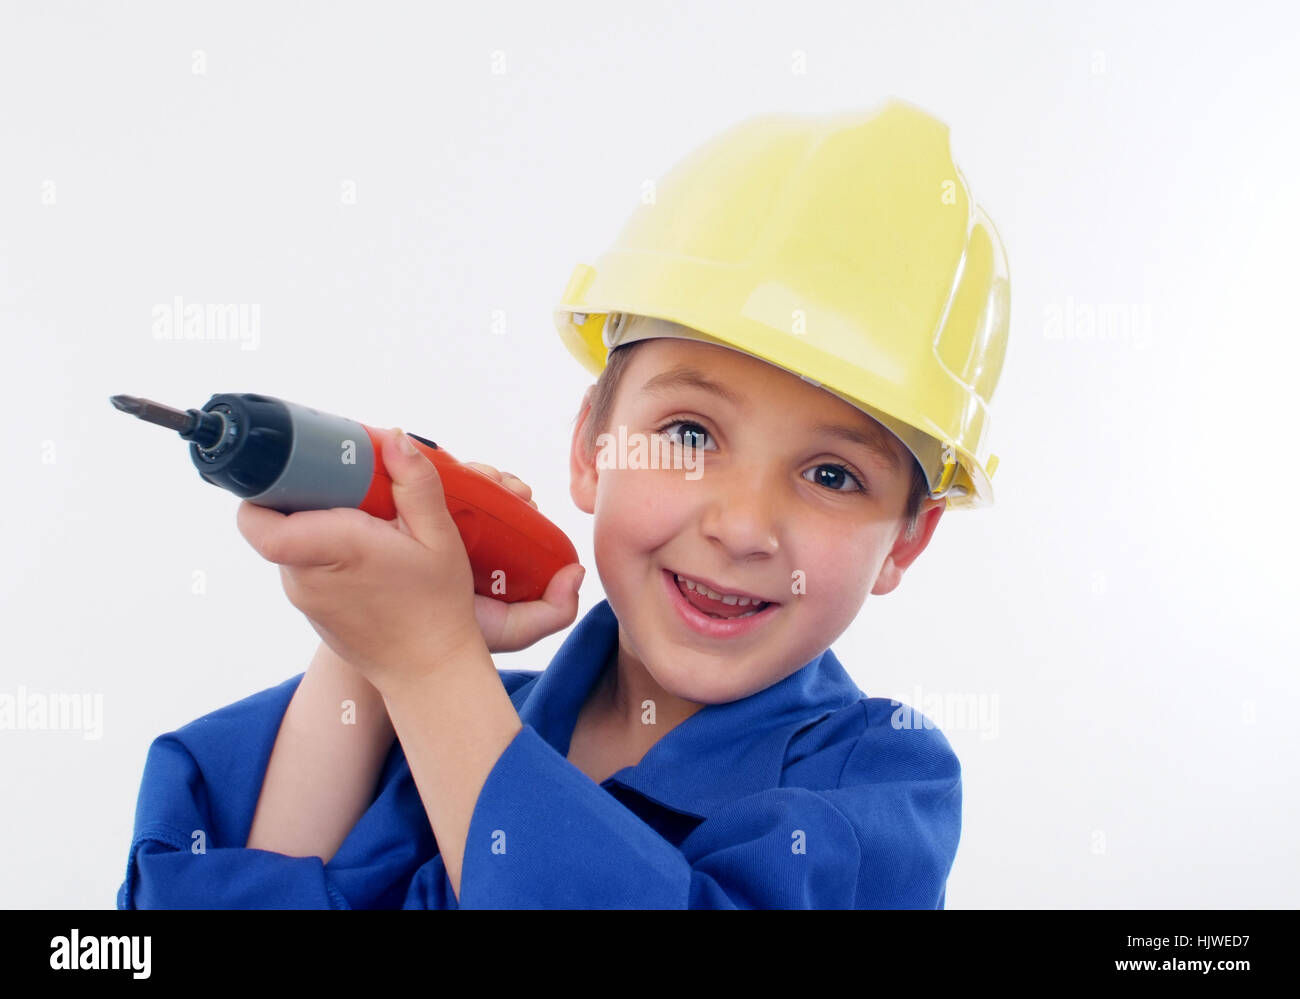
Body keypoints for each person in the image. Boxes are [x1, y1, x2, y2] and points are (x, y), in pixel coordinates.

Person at [117, 97, 1010, 909]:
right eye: (691, 435)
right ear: (591, 447)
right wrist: (371, 651)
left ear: (906, 542)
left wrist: (430, 670)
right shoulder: (457, 718)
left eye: (831, 475)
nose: (741, 526)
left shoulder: (877, 784)